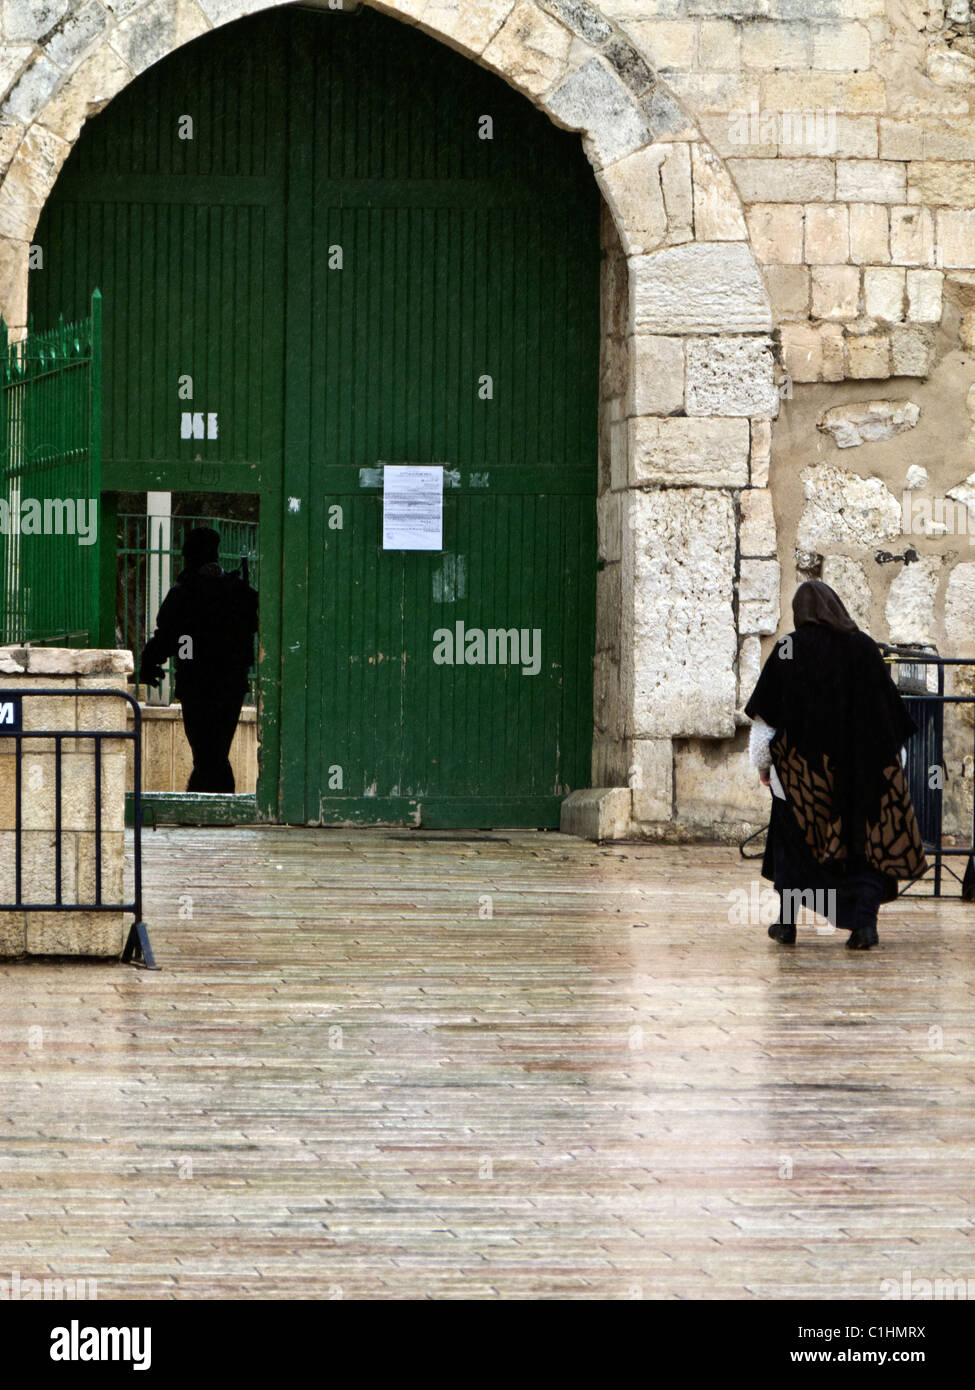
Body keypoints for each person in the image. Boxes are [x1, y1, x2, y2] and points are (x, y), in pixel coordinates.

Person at [744, 579, 926, 950]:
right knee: (863, 851)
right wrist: (895, 770)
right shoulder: (864, 649)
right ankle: (864, 927)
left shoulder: (788, 649)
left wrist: (765, 767)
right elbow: (889, 721)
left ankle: (787, 925)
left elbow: (765, 722)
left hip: (801, 781)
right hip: (863, 779)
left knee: (796, 850)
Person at [139, 526, 258, 793]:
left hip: (197, 685)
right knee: (215, 750)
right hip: (230, 684)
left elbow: (167, 635)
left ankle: (207, 802)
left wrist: (149, 662)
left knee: (206, 752)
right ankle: (214, 802)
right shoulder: (237, 591)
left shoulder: (185, 592)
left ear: (192, 555)